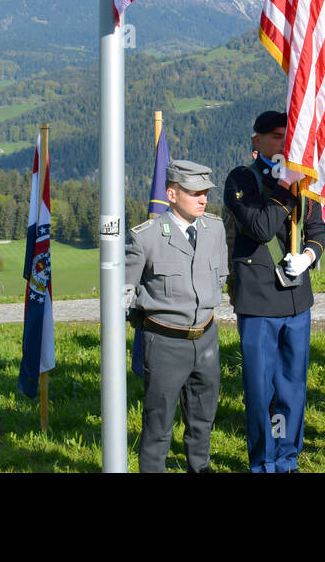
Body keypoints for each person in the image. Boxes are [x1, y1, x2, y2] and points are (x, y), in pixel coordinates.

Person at [223, 111, 325, 473]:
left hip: (296, 298)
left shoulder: (303, 179)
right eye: (276, 137)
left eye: (289, 136)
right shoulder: (242, 180)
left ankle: (287, 457)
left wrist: (310, 255)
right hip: (259, 301)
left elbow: (317, 228)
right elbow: (261, 227)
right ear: (257, 142)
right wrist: (285, 187)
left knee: (292, 386)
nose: (284, 143)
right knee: (261, 389)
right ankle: (265, 461)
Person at [124, 159, 228, 473]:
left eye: (205, 192)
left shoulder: (215, 229)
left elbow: (220, 276)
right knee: (159, 421)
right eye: (194, 192)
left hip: (206, 337)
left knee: (203, 414)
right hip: (165, 342)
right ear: (171, 194)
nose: (203, 198)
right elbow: (126, 294)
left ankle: (200, 466)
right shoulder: (146, 237)